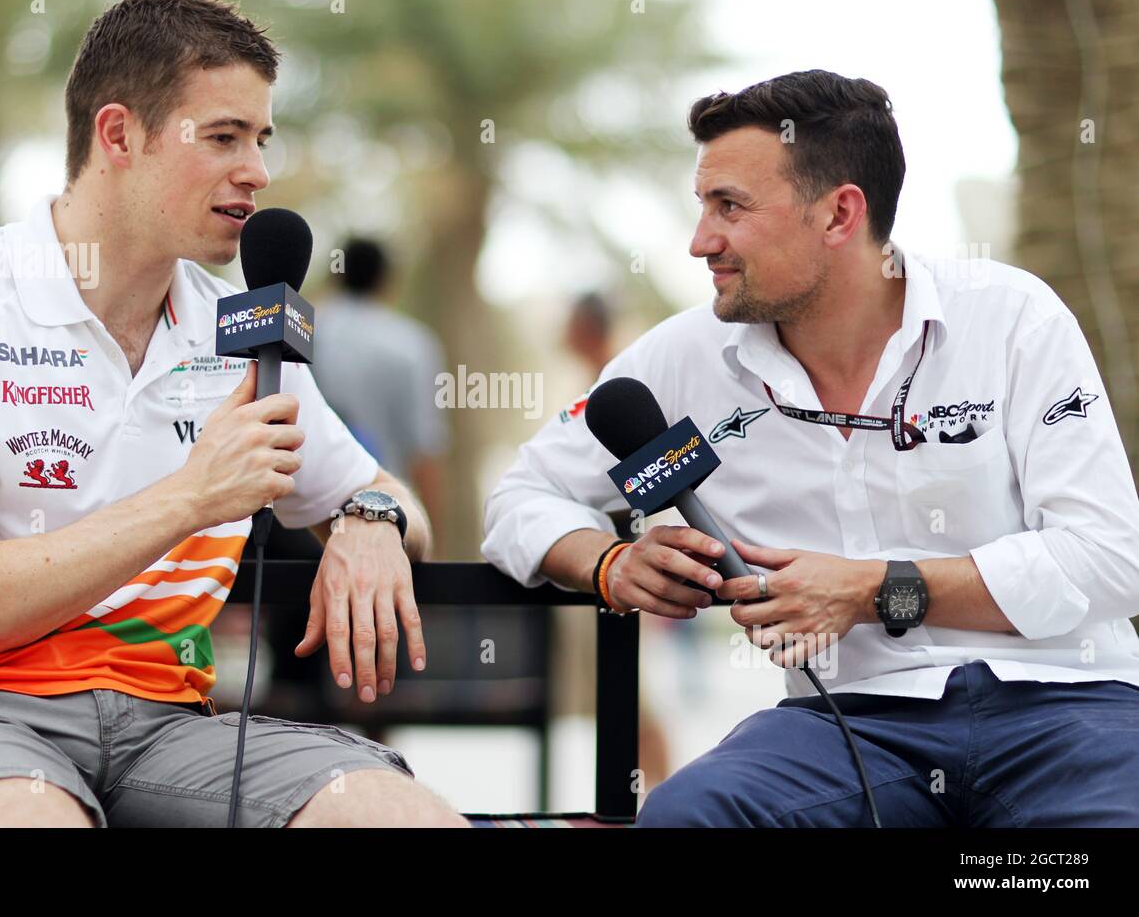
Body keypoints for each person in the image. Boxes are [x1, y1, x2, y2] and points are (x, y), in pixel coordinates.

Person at [0, 0, 466, 828]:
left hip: (167, 728)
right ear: (118, 135)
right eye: (222, 137)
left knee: (402, 817)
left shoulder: (241, 327)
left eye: (261, 139)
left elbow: (400, 501)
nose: (258, 171)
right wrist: (191, 496)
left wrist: (367, 518)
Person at [482, 69, 1139, 826]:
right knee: (688, 817)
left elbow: (1111, 557)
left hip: (1068, 705)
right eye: (703, 207)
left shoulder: (1013, 317)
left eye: (729, 207)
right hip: (845, 727)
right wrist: (608, 561)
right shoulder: (677, 361)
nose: (702, 242)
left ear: (839, 214)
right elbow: (520, 497)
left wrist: (869, 588)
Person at [311, 238, 449, 540]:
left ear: (337, 275)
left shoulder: (303, 331)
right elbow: (424, 449)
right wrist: (432, 541)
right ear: (383, 280)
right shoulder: (412, 344)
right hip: (385, 521)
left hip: (304, 518)